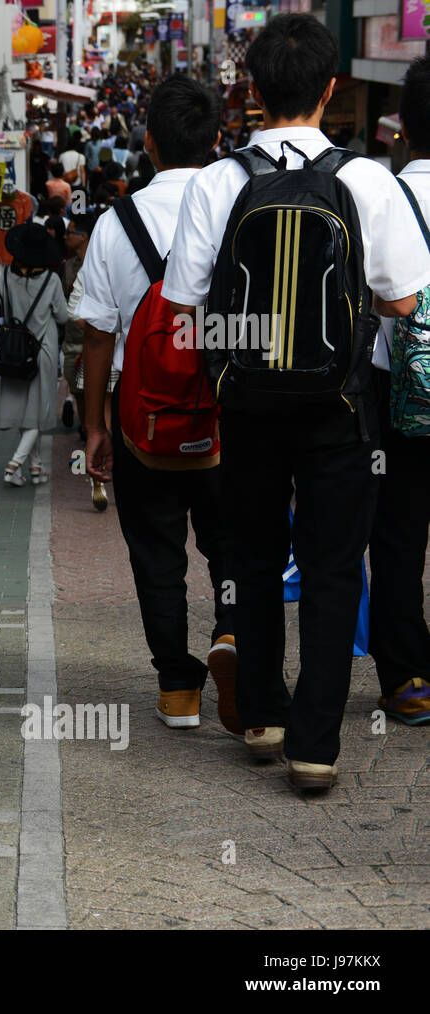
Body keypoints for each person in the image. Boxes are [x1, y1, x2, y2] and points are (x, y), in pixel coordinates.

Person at [163, 16, 430, 790]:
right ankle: (314, 744)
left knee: (249, 556)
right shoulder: (367, 178)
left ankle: (262, 716)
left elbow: (184, 305)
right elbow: (406, 298)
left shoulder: (220, 180)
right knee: (332, 564)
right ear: (331, 88)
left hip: (244, 407)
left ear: (250, 91)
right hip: (341, 409)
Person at [80, 73, 238, 735]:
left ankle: (178, 686)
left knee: (156, 555)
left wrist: (94, 425)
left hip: (143, 417)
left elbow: (96, 331)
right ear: (221, 140)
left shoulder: (115, 223)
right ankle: (233, 631)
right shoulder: (243, 206)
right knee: (236, 545)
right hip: (230, 413)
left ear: (146, 143)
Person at [369, 55, 430, 726]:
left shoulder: (383, 195)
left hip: (398, 394)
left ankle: (408, 678)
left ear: (403, 129)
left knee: (397, 537)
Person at [0, 222, 69, 486]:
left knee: (27, 412)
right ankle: (14, 464)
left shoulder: (4, 276)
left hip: (13, 351)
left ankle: (35, 468)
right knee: (38, 413)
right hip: (43, 352)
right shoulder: (52, 280)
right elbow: (62, 315)